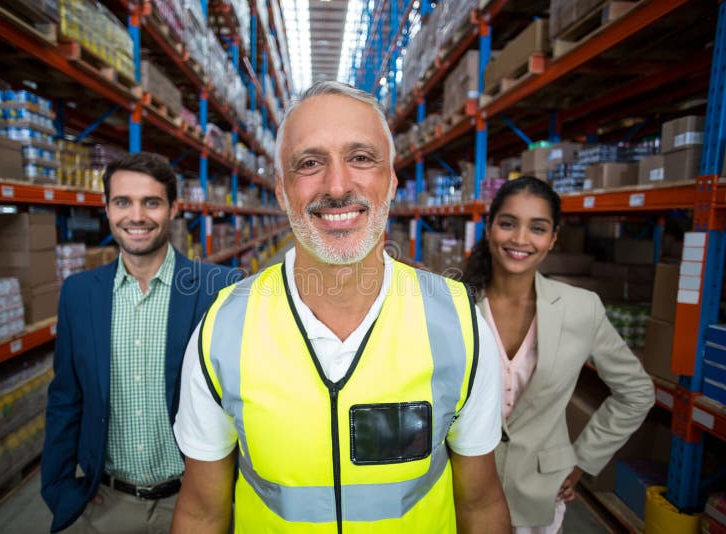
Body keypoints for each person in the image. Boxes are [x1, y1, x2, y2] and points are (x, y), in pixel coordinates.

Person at [171, 81, 510, 533]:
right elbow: (201, 512)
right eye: (309, 163)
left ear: (392, 181)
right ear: (281, 191)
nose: (336, 186)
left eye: (361, 158)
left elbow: (481, 504)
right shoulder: (223, 329)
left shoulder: (459, 324)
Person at [41, 151, 240, 533]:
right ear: (106, 208)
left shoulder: (218, 288)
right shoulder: (79, 294)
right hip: (107, 503)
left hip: (195, 500)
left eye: (151, 202)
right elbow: (65, 397)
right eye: (122, 202)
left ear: (174, 208)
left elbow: (240, 398)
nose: (136, 216)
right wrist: (60, 487)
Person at [463, 176, 656, 532]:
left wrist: (583, 459)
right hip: (460, 488)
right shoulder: (455, 303)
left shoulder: (581, 308)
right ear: (489, 228)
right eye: (508, 223)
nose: (520, 239)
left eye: (537, 228)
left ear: (553, 238)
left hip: (539, 494)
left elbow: (637, 392)